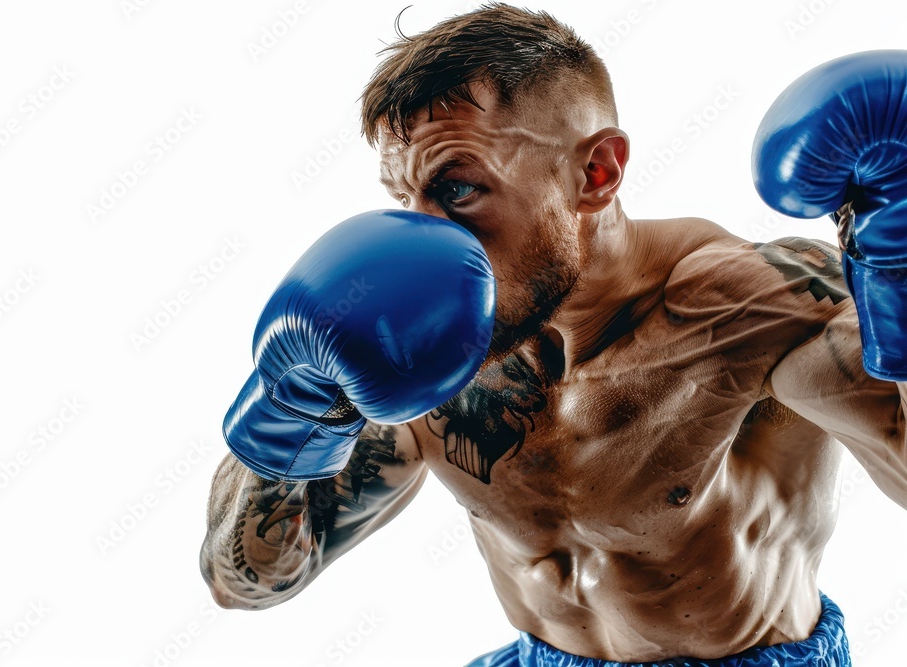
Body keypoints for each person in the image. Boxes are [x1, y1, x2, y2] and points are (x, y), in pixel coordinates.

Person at [200, 4, 907, 665]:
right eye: (405, 200)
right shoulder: (420, 343)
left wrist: (898, 271)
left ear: (595, 172)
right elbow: (249, 581)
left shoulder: (755, 305)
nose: (426, 240)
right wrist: (288, 404)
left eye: (457, 189)